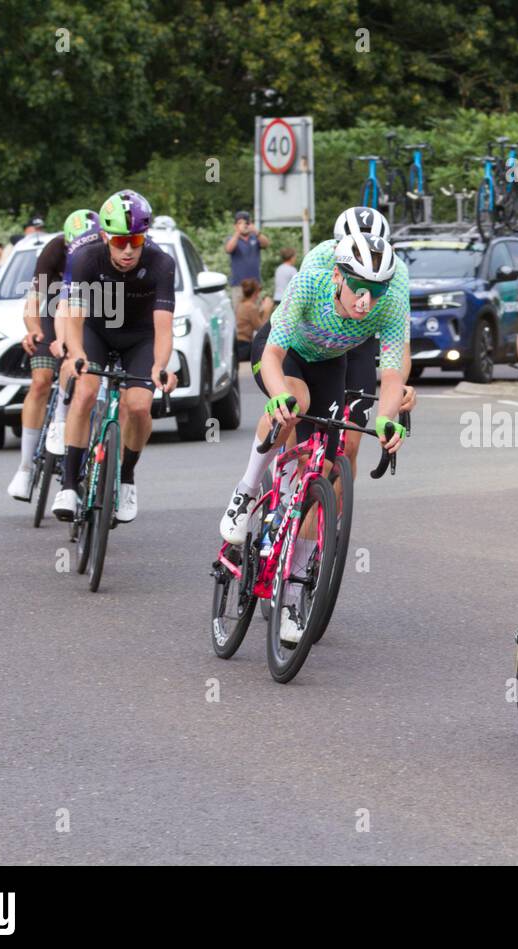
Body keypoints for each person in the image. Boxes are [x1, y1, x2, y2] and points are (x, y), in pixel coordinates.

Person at [217, 232, 409, 644]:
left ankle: (292, 595)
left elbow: (392, 374)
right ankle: (247, 490)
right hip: (284, 353)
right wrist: (280, 395)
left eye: (376, 293)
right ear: (339, 276)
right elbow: (272, 353)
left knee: (323, 466)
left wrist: (387, 418)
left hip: (329, 362)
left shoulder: (391, 302)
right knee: (295, 402)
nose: (366, 302)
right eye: (359, 289)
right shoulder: (311, 283)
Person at [51, 191, 178, 525]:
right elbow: (74, 317)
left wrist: (160, 366)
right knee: (86, 392)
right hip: (97, 330)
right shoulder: (85, 259)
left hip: (140, 337)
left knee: (138, 405)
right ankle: (67, 486)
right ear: (106, 236)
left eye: (136, 240)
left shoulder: (161, 263)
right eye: (121, 241)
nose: (128, 251)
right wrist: (76, 353)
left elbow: (163, 329)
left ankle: (126, 477)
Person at [293, 205, 415, 474]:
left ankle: (330, 509)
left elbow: (399, 344)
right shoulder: (319, 257)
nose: (366, 259)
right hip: (317, 343)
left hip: (359, 342)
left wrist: (399, 388)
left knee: (348, 450)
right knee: (304, 443)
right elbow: (296, 321)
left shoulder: (397, 270)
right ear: (337, 246)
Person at [6, 209, 101, 500]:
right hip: (53, 313)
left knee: (83, 374)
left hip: (93, 314)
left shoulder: (104, 254)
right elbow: (34, 301)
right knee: (40, 380)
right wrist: (34, 329)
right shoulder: (53, 250)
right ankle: (24, 468)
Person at [224, 210, 269, 309]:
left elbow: (266, 244)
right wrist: (237, 233)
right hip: (238, 285)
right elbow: (228, 248)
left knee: (256, 314)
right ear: (235, 226)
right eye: (240, 223)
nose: (244, 225)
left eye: (246, 223)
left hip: (255, 285)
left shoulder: (255, 238)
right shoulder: (232, 238)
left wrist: (256, 232)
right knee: (240, 315)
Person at [233, 277, 271, 364]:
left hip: (238, 345)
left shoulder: (242, 304)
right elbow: (261, 329)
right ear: (255, 293)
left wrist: (261, 311)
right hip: (244, 346)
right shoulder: (251, 307)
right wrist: (266, 310)